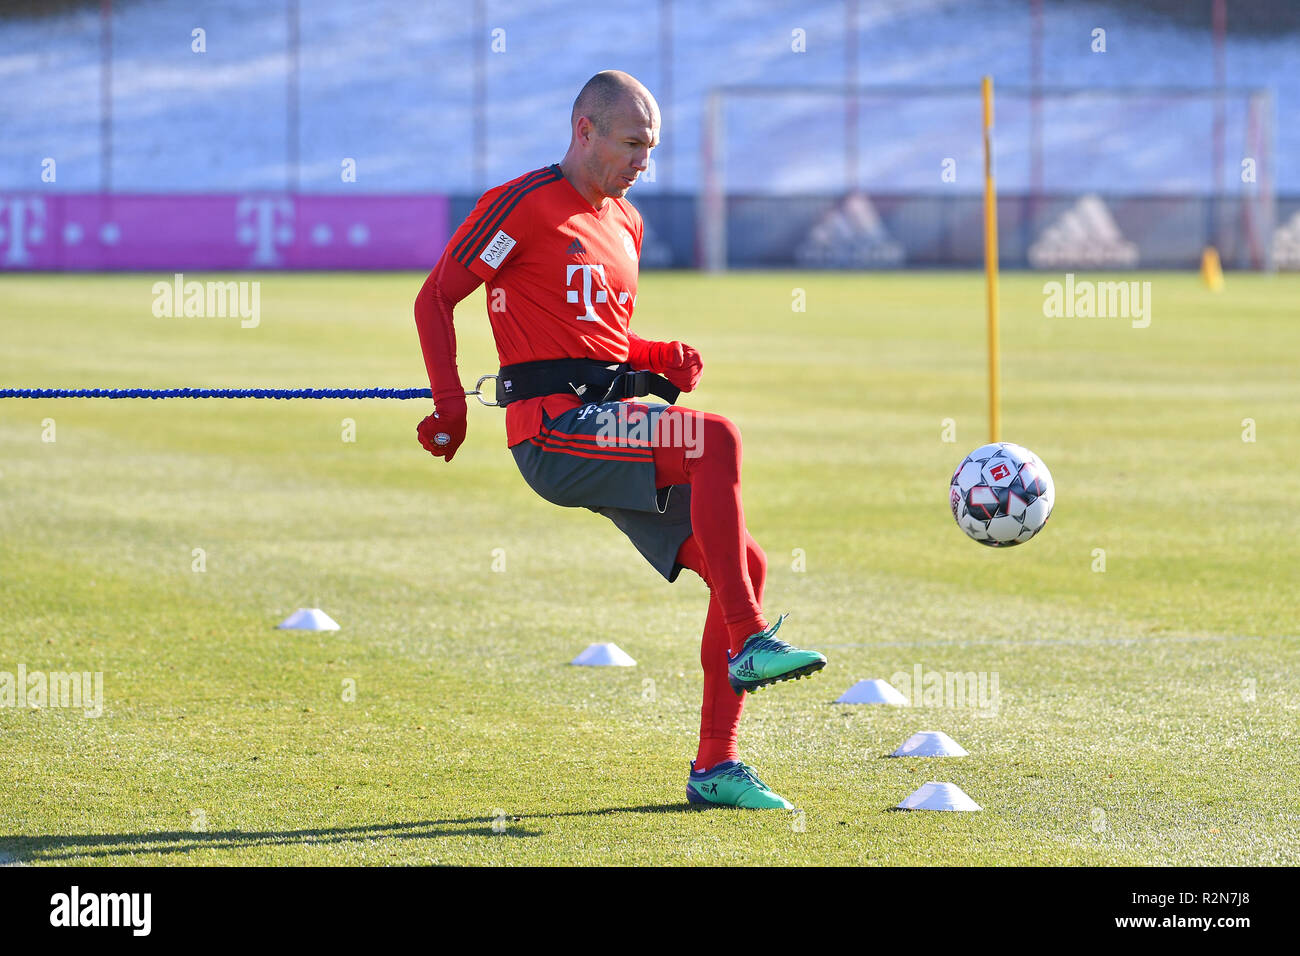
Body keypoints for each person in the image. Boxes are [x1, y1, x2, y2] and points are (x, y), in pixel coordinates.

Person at [412, 70, 826, 810]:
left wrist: (655, 354)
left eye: (652, 148)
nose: (644, 161)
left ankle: (715, 768)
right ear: (585, 131)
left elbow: (598, 342)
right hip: (552, 432)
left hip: (608, 425)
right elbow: (437, 295)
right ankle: (750, 640)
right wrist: (450, 405)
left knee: (747, 562)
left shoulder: (626, 222)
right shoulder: (522, 206)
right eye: (633, 143)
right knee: (717, 440)